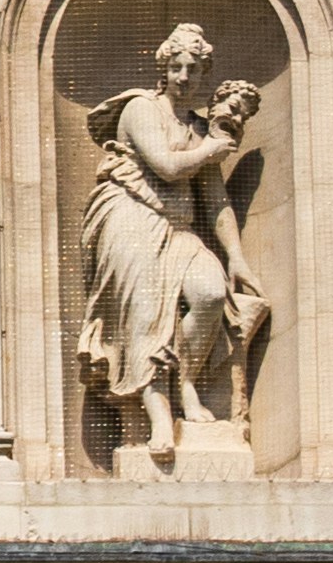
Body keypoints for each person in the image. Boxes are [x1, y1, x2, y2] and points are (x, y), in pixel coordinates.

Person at [76, 25, 268, 470]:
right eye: (176, 67)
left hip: (178, 226)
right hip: (130, 218)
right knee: (145, 312)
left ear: (204, 73)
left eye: (194, 68)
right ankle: (158, 411)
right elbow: (165, 166)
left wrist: (236, 257)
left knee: (210, 293)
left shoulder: (200, 127)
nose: (184, 75)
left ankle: (183, 381)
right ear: (163, 69)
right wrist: (214, 150)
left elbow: (215, 199)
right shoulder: (140, 109)